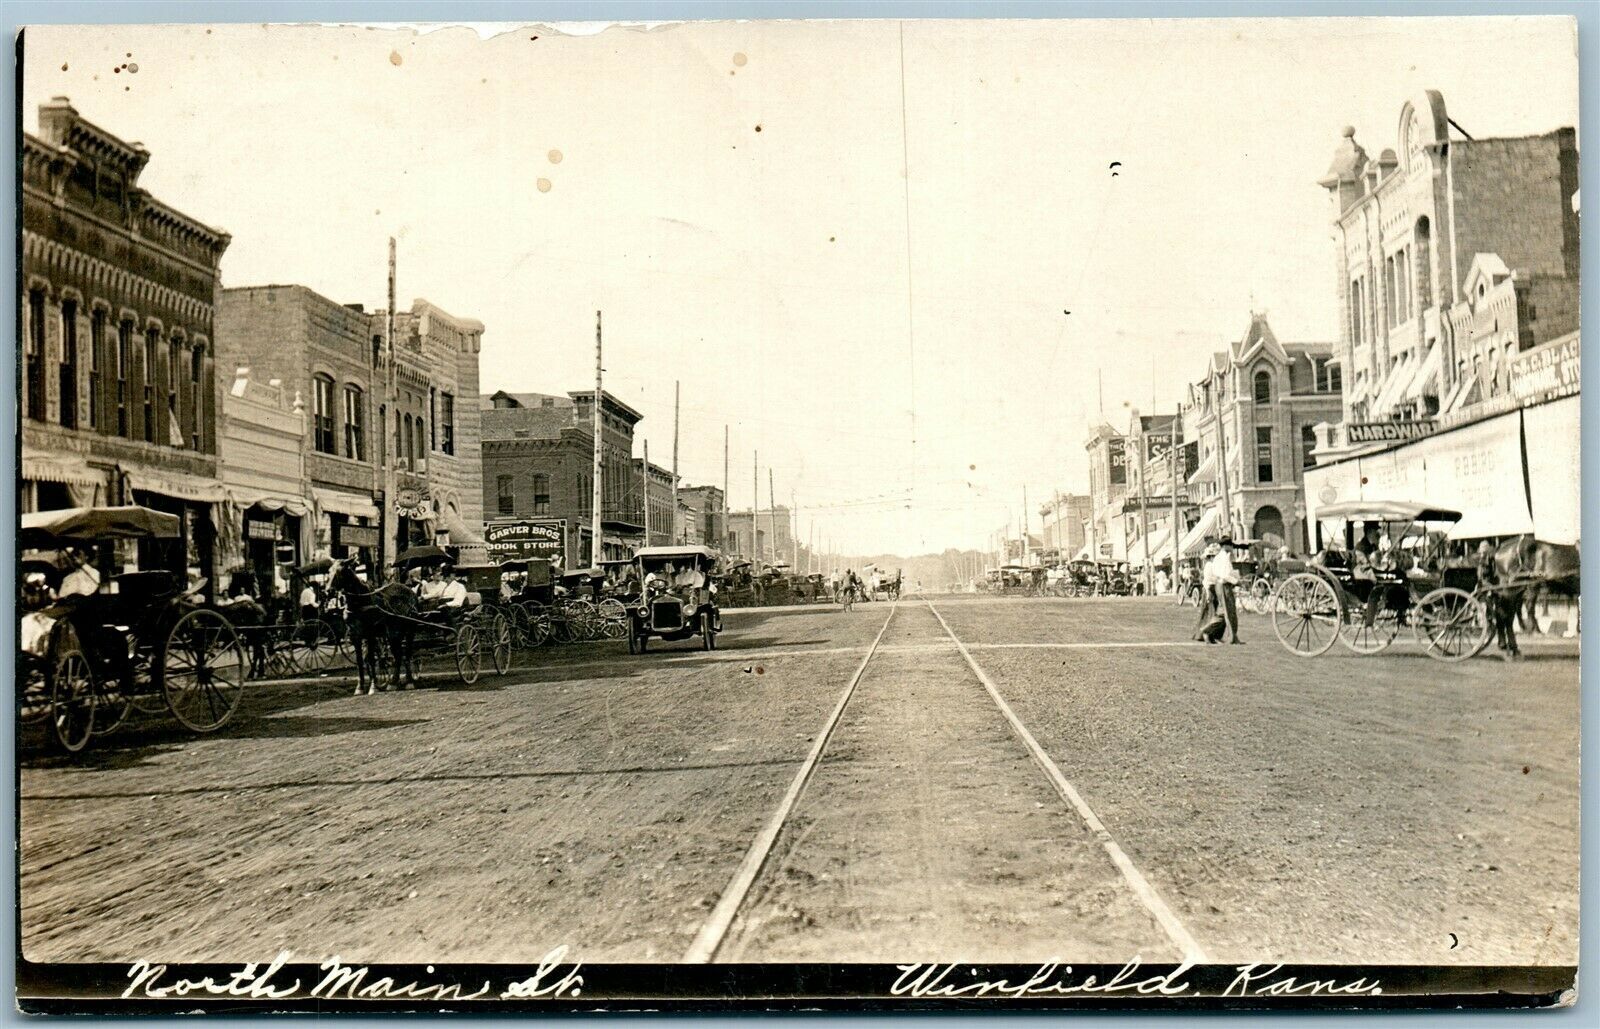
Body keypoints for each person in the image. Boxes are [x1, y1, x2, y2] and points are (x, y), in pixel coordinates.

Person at [1207, 536, 1243, 644]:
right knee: (1229, 611)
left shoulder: (1218, 557)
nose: (1232, 548)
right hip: (1224, 585)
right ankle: (1232, 637)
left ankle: (1210, 632)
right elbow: (1225, 574)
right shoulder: (1224, 557)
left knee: (1223, 612)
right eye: (1231, 545)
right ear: (1226, 546)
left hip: (1220, 585)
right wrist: (1236, 581)